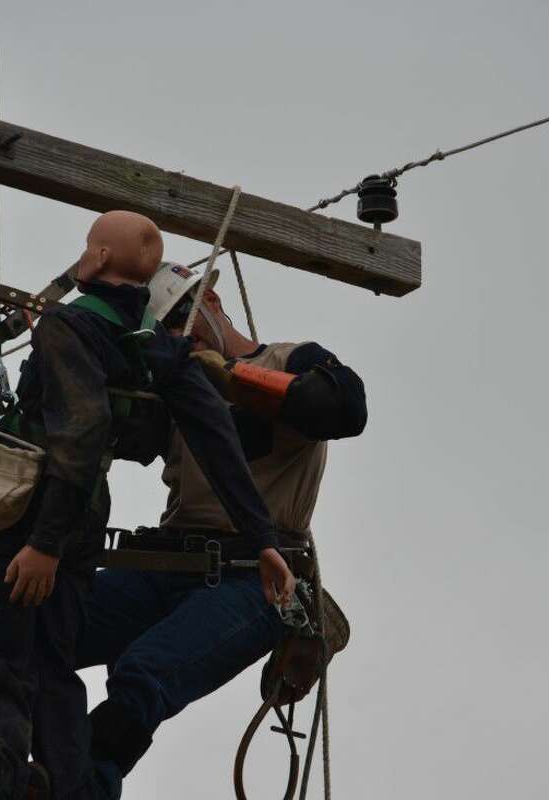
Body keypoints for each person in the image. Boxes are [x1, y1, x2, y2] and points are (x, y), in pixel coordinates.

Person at [0, 215, 294, 800]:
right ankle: (62, 789)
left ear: (94, 260)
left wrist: (42, 543)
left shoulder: (67, 326)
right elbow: (216, 436)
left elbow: (83, 427)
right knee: (53, 665)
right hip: (84, 518)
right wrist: (264, 538)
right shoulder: (159, 349)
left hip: (25, 516)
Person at [72, 262, 368, 794]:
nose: (174, 332)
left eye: (181, 315)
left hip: (250, 580)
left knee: (144, 674)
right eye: (161, 327)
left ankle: (68, 787)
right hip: (160, 567)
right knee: (33, 625)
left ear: (209, 299)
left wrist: (231, 378)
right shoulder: (167, 379)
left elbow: (343, 407)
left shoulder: (287, 358)